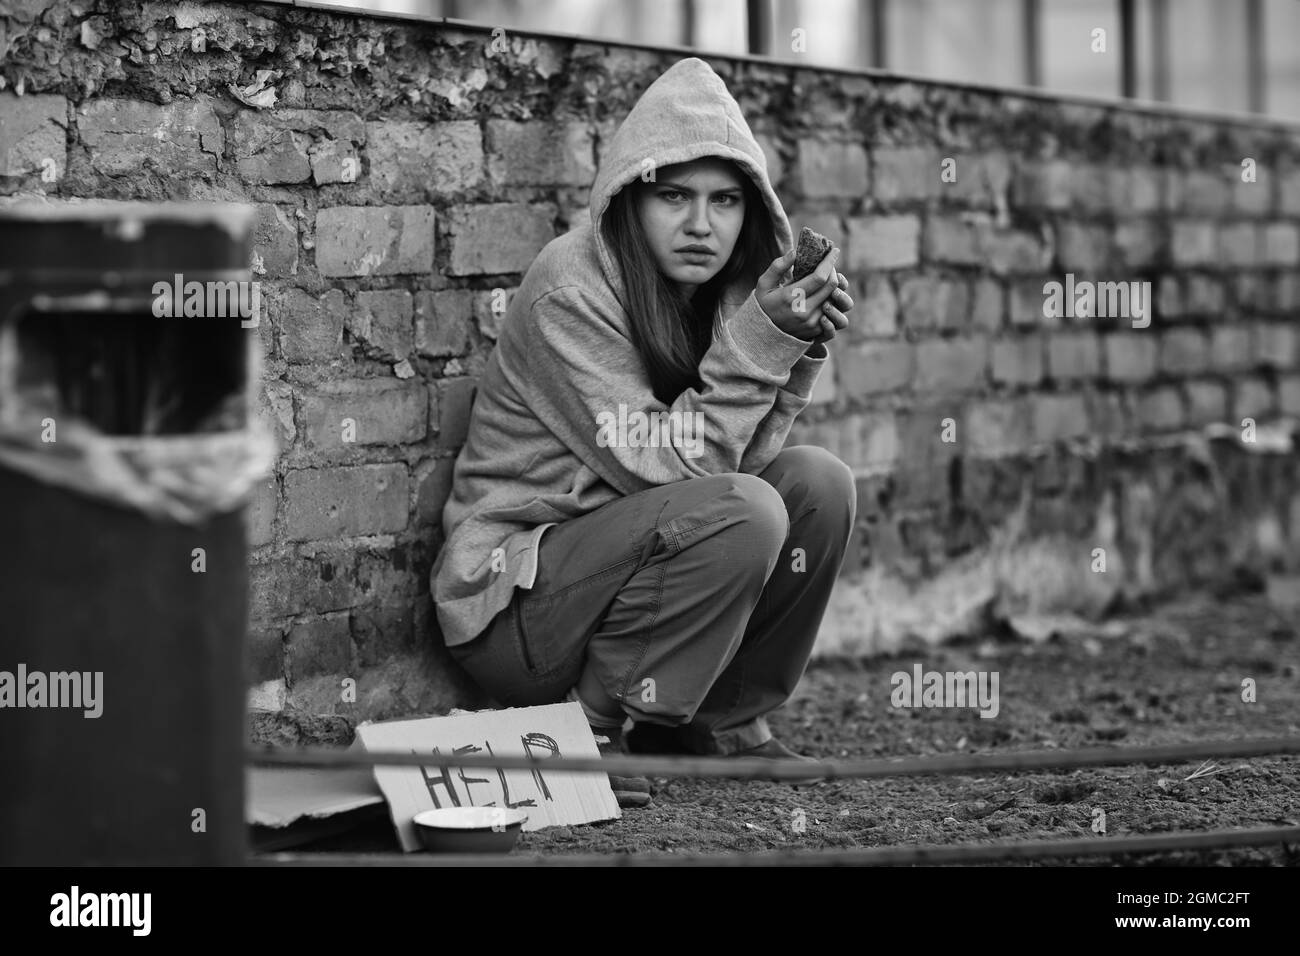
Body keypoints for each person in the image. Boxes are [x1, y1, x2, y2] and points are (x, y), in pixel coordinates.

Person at [429, 57, 857, 807]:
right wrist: (760, 343)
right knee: (745, 509)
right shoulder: (572, 288)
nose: (702, 224)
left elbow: (736, 464)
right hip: (518, 609)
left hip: (628, 578)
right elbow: (672, 473)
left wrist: (789, 352)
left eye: (725, 200)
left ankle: (723, 722)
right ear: (633, 197)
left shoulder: (722, 293)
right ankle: (587, 740)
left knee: (817, 484)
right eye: (675, 197)